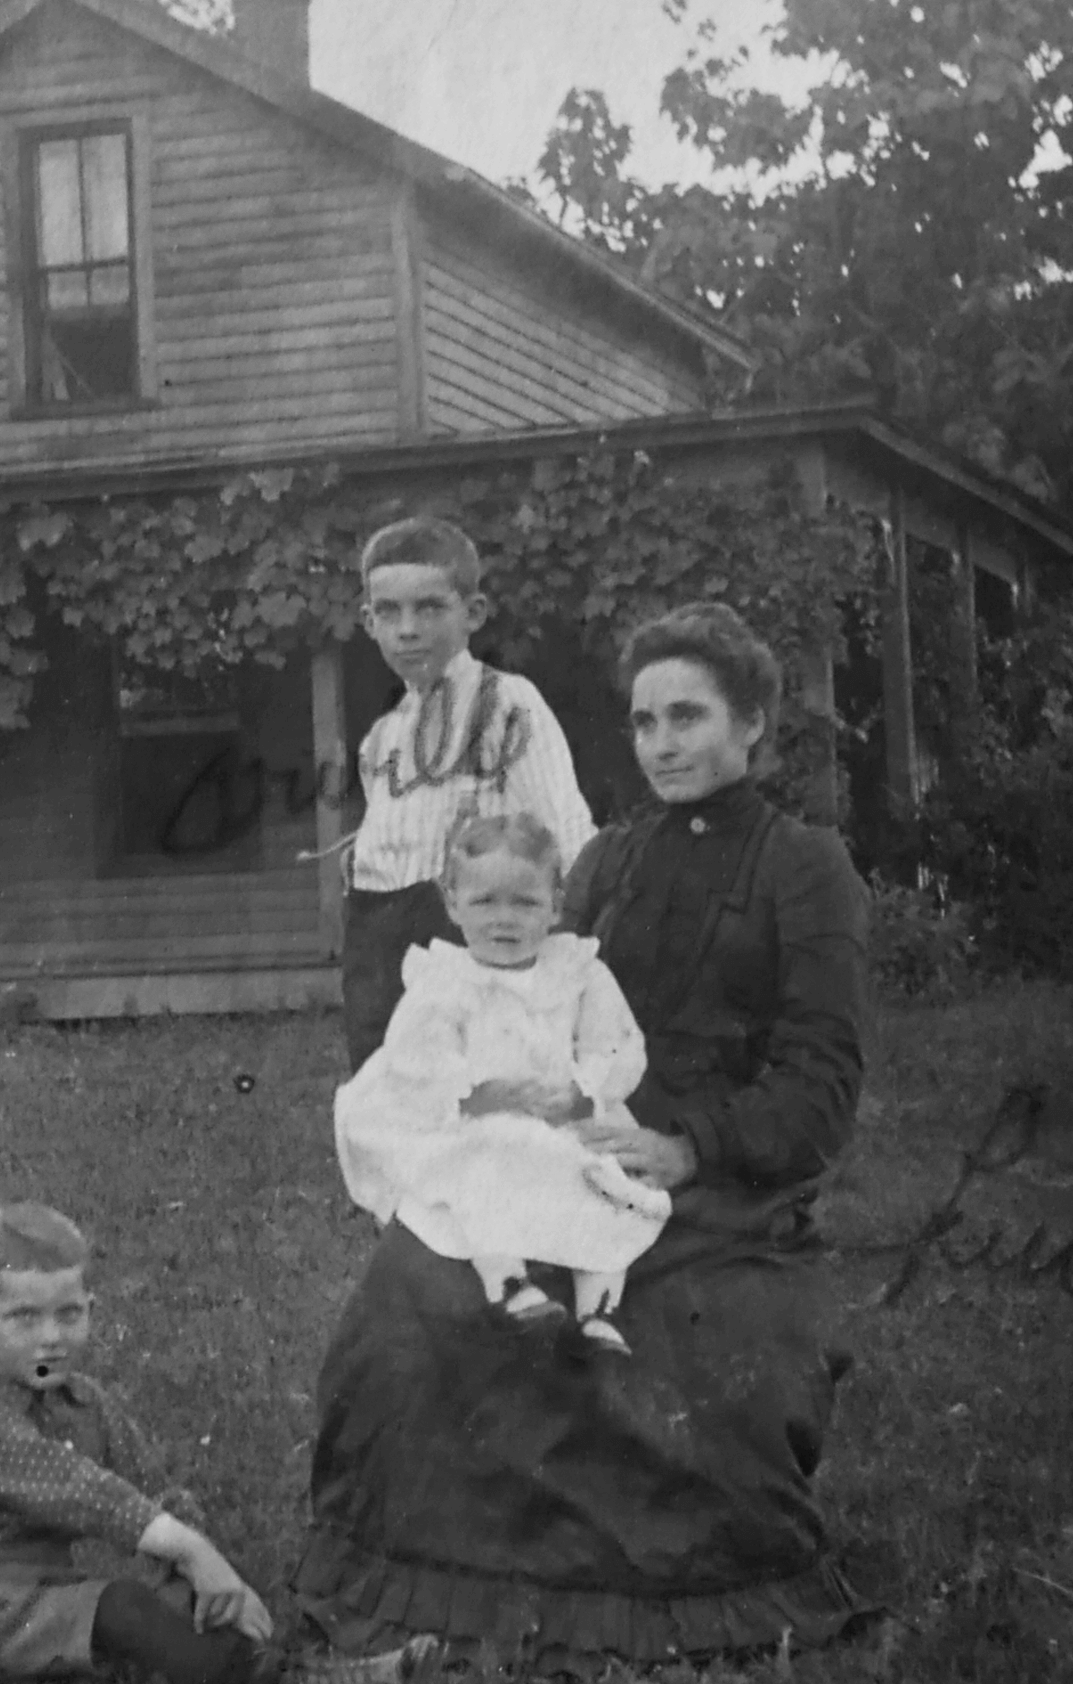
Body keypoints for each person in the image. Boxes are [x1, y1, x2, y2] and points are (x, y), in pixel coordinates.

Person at [294, 601, 874, 1675]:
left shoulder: (806, 866)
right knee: (412, 1300)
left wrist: (691, 1144)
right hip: (560, 1153)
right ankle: (432, 1584)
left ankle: (656, 1589)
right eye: (645, 721)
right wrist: (506, 1100)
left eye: (689, 716)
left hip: (720, 1177)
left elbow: (820, 1083)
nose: (662, 743)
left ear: (751, 725)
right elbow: (523, 1002)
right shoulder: (604, 860)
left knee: (692, 1339)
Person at [0, 1204, 279, 1684]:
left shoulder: (86, 1403)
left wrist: (211, 1573)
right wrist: (192, 1551)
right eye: (25, 1319)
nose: (51, 1338)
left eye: (68, 1314)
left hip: (39, 1595)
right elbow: (80, 1490)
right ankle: (263, 1675)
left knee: (184, 1596)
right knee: (121, 1606)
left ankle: (258, 1663)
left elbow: (154, 1490)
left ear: (92, 1311)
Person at [329, 813, 663, 1353]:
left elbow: (619, 1046)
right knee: (481, 1173)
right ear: (453, 903)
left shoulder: (577, 971)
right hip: (475, 1118)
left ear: (555, 906)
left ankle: (598, 1310)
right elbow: (419, 1059)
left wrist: (583, 1090)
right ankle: (508, 1281)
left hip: (564, 1113)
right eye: (485, 902)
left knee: (606, 1181)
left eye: (526, 903)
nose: (504, 920)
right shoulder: (445, 981)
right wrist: (476, 1092)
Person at [331, 517, 595, 1072]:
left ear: (472, 614)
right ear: (368, 621)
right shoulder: (384, 735)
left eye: (429, 608)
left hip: (464, 933)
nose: (407, 630)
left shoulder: (507, 705)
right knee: (386, 1088)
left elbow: (567, 839)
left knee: (470, 1094)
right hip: (377, 941)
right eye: (389, 612)